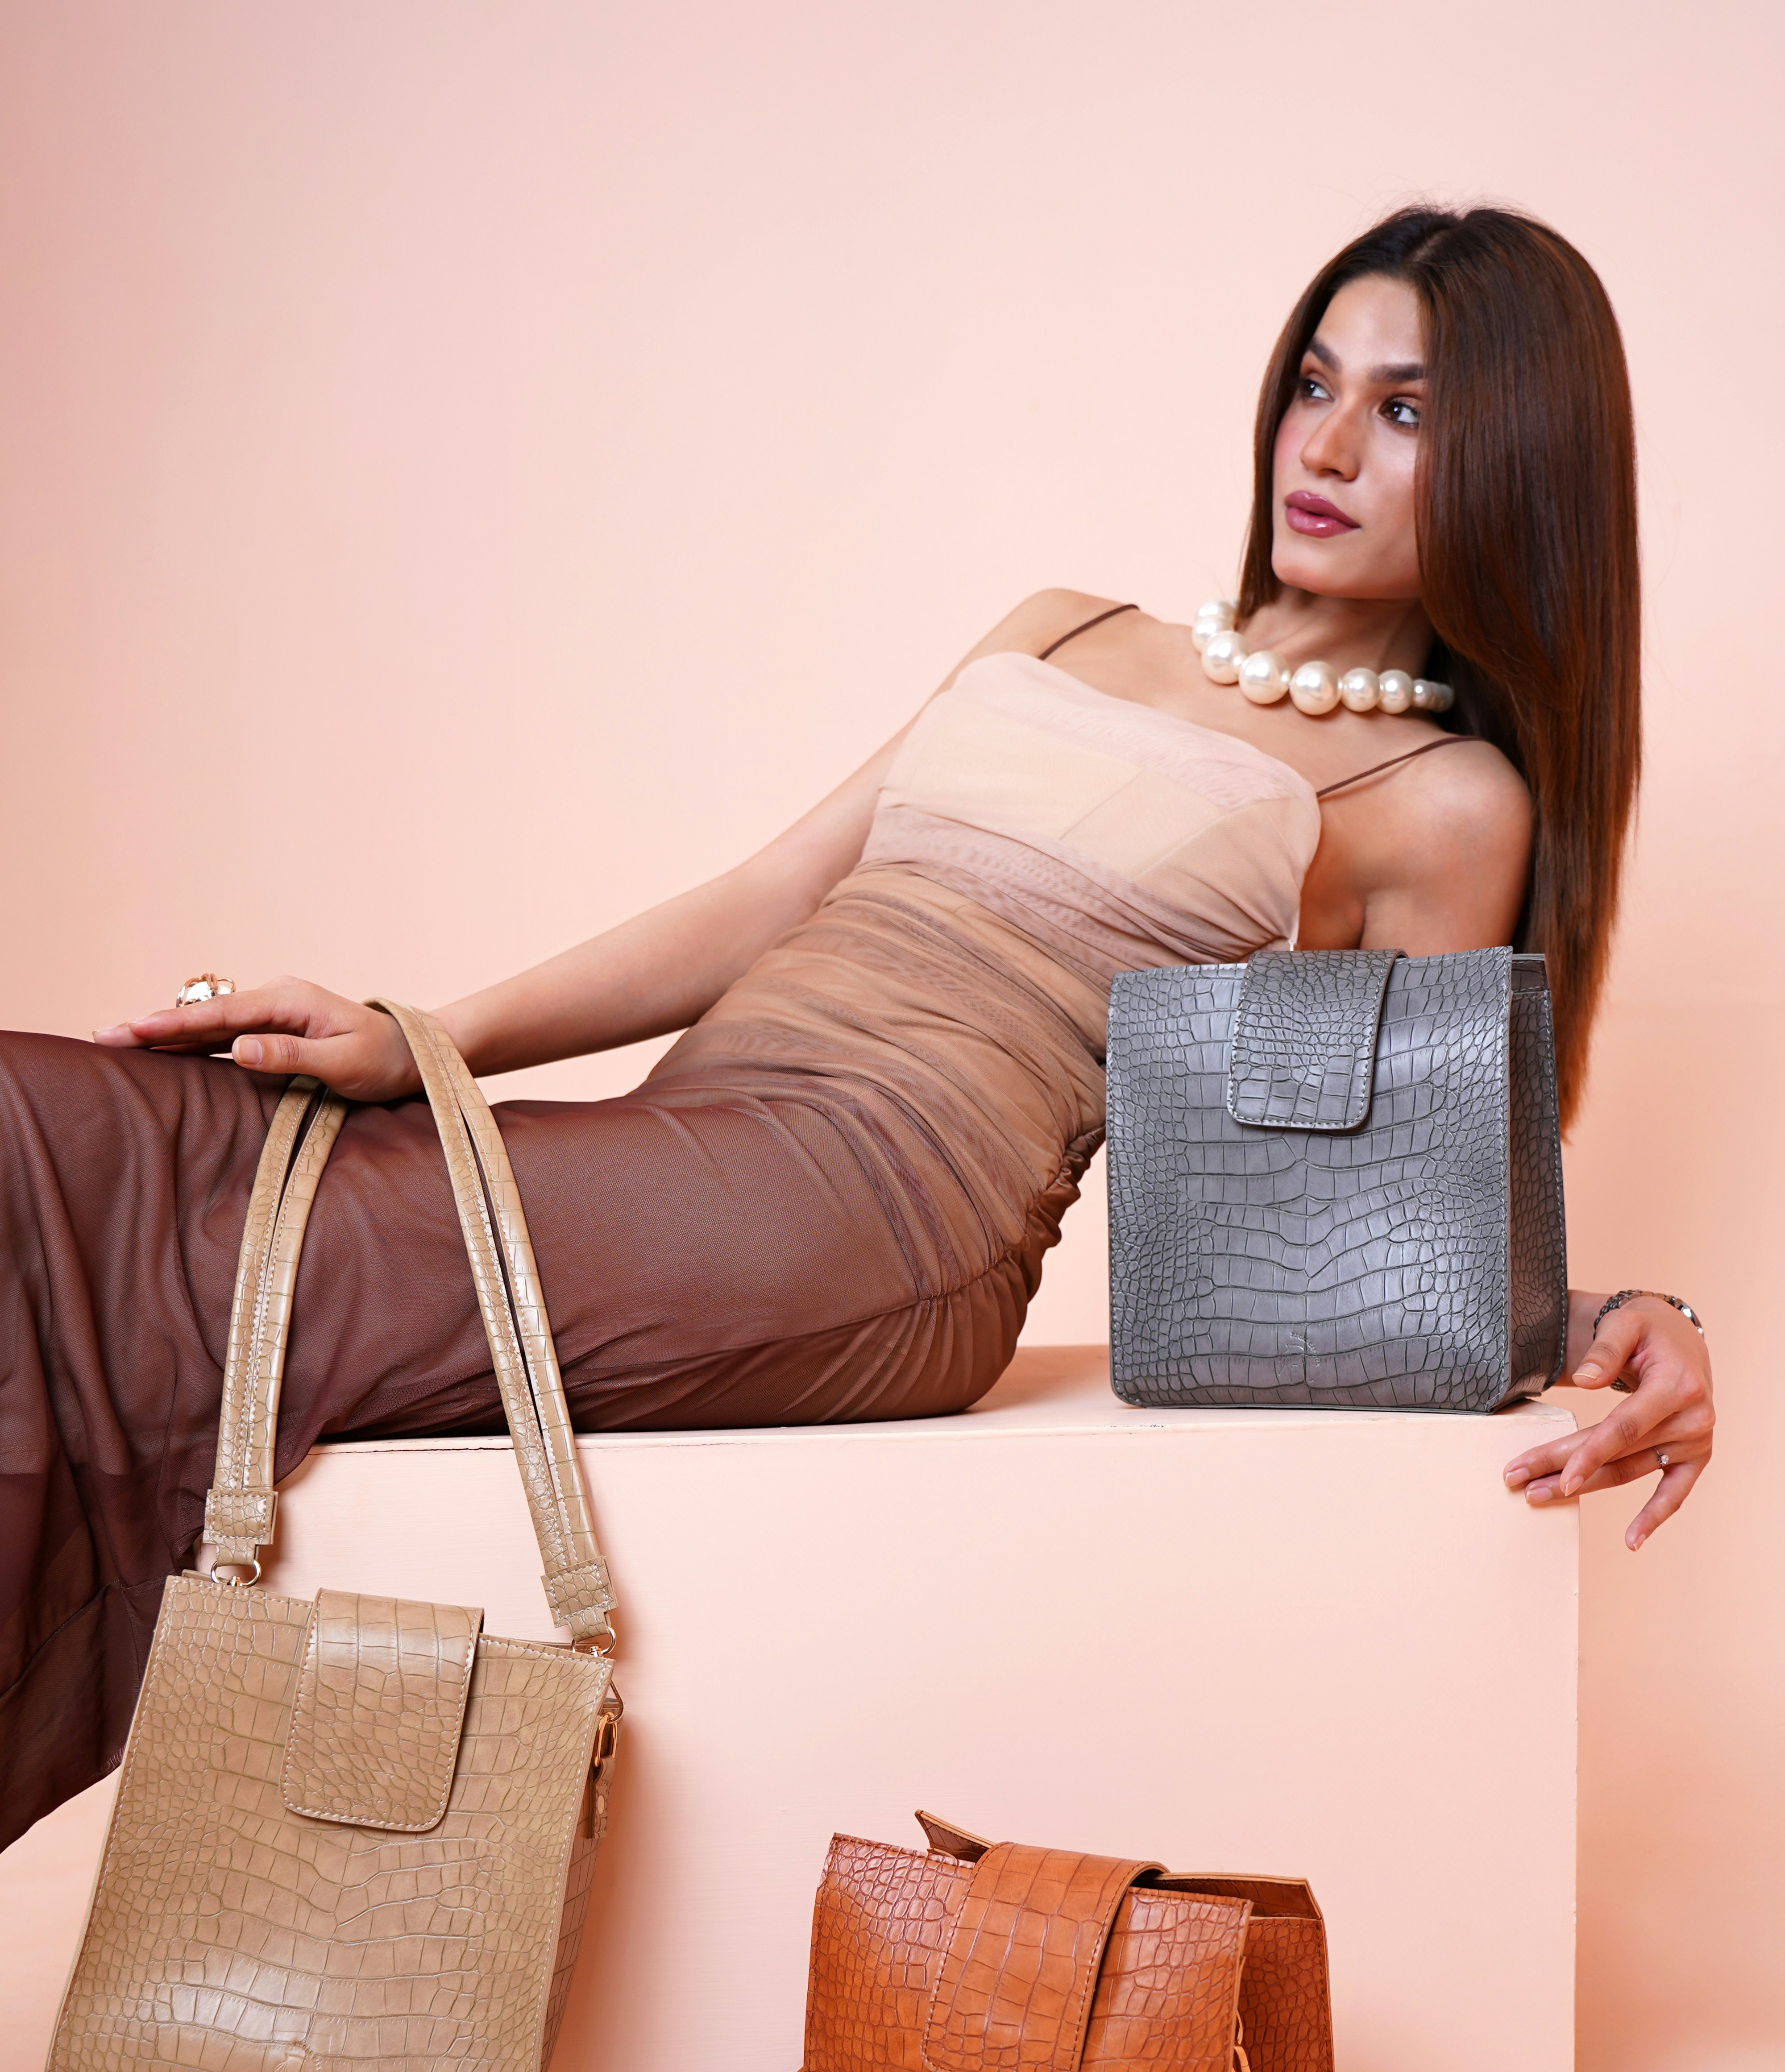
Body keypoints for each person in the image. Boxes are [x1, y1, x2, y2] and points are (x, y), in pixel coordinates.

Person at [0, 204, 1714, 1850]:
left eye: (1405, 410)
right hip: (690, 1133)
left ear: (1517, 466)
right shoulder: (1067, 628)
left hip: (883, 1219)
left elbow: (1367, 1224)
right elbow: (766, 901)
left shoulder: (1441, 801)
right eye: (1315, 383)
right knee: (58, 1133)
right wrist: (423, 1036)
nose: (1325, 448)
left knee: (227, 1279)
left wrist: (1616, 1312)